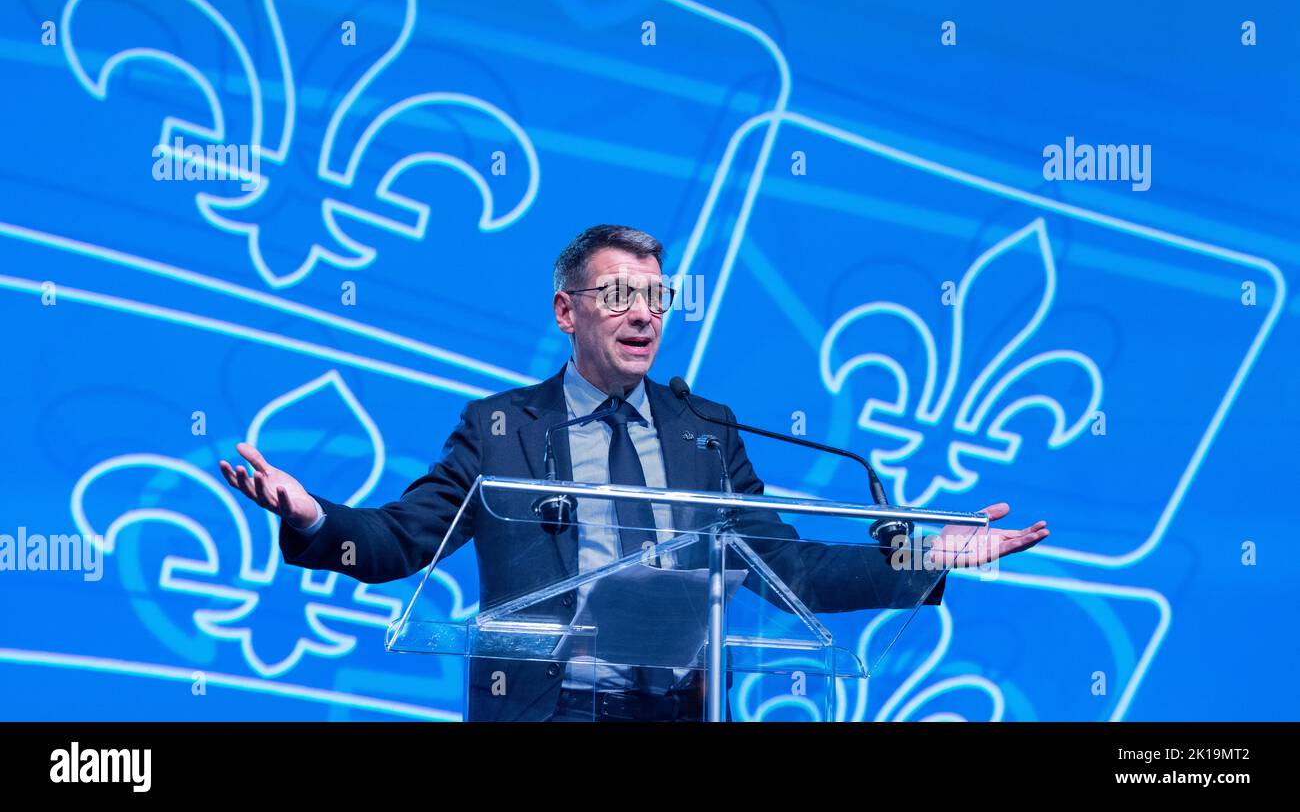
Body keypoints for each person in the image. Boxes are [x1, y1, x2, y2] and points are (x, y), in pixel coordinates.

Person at [219, 224, 1048, 721]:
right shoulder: (501, 427)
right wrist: (312, 518)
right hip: (546, 709)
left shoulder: (707, 432)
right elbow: (401, 539)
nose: (645, 313)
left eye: (659, 295)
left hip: (677, 709)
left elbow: (791, 569)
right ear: (567, 310)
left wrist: (925, 555)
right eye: (619, 294)